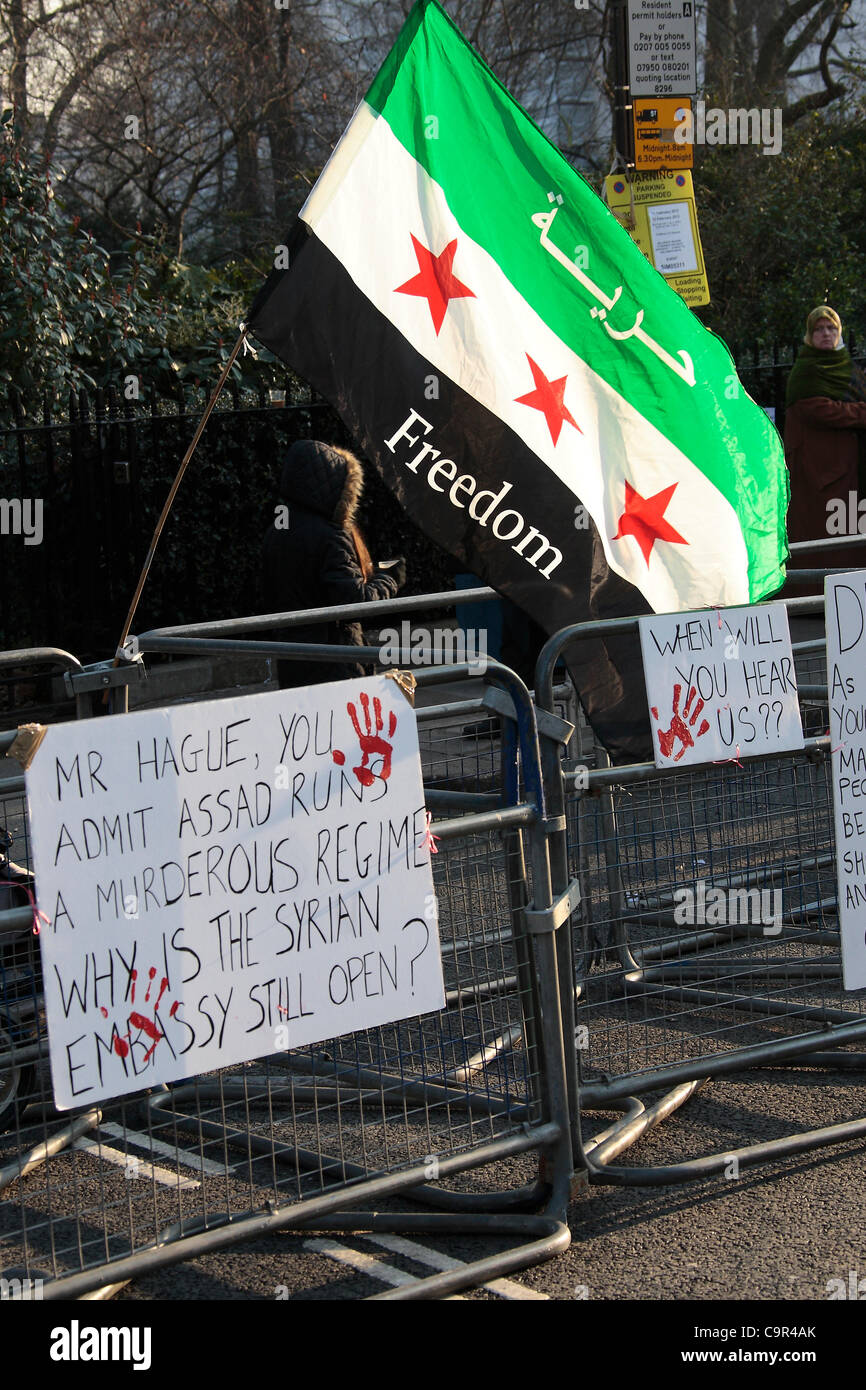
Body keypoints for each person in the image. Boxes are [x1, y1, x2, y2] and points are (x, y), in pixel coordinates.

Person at [262, 439, 405, 687]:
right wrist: (391, 577)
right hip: (335, 661)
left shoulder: (278, 528)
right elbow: (356, 602)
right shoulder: (330, 536)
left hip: (292, 658)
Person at [784, 306, 866, 571]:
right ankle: (821, 594)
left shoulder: (848, 367)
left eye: (831, 328)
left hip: (850, 468)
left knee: (851, 529)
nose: (826, 334)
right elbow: (816, 409)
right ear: (809, 335)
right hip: (818, 473)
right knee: (824, 533)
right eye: (819, 329)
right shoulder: (805, 370)